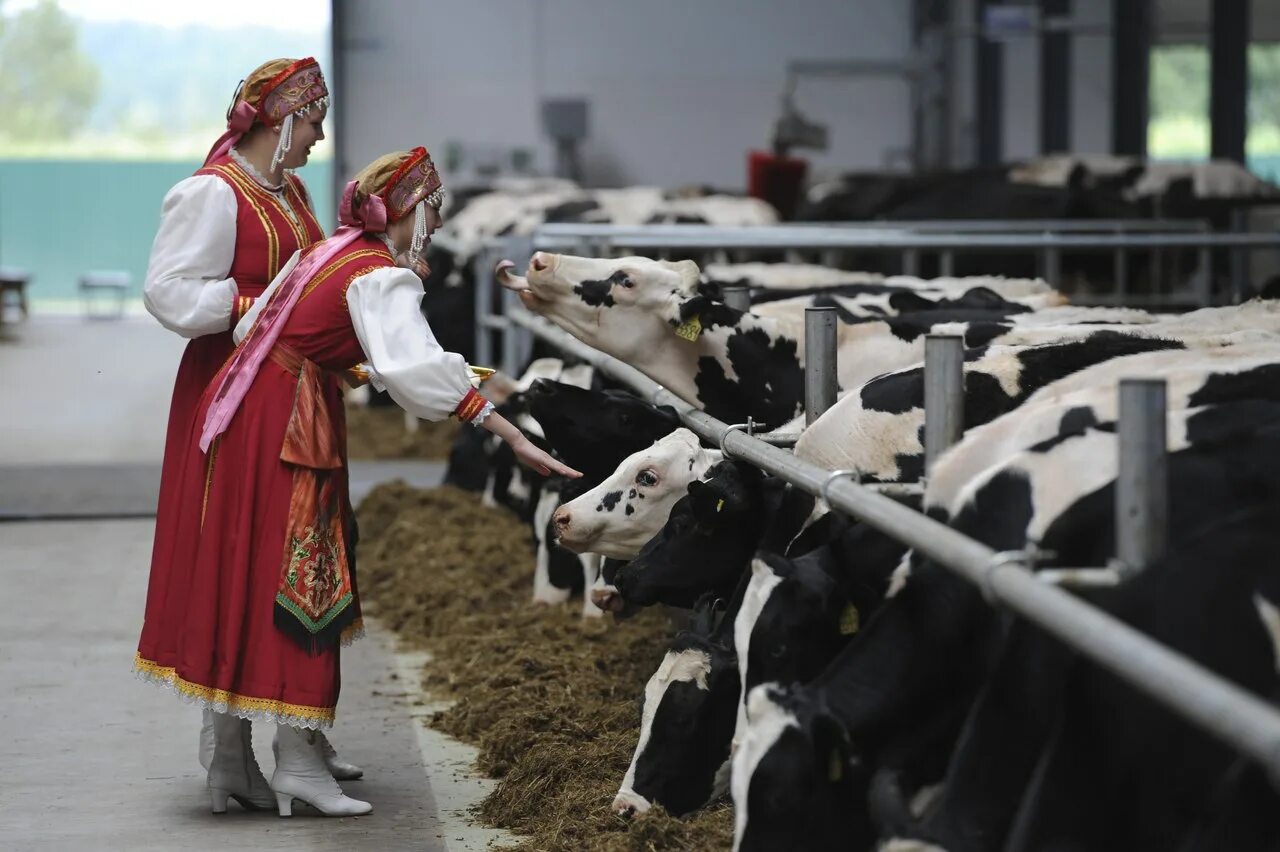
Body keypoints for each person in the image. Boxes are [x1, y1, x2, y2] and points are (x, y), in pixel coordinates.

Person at [135, 146, 579, 816]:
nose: (433, 226)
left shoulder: (332, 249)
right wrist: (503, 425)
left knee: (254, 570)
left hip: (253, 406)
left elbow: (286, 327)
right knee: (307, 573)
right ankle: (298, 761)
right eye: (430, 210)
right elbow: (413, 369)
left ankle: (232, 756)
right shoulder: (378, 275)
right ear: (408, 211)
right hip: (288, 424)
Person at [138, 57, 363, 798]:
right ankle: (237, 752)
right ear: (280, 119)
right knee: (247, 550)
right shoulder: (213, 194)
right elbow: (168, 293)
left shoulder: (289, 191)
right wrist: (250, 309)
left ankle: (241, 756)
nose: (319, 137)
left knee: (267, 554)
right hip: (233, 397)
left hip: (293, 390)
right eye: (313, 120)